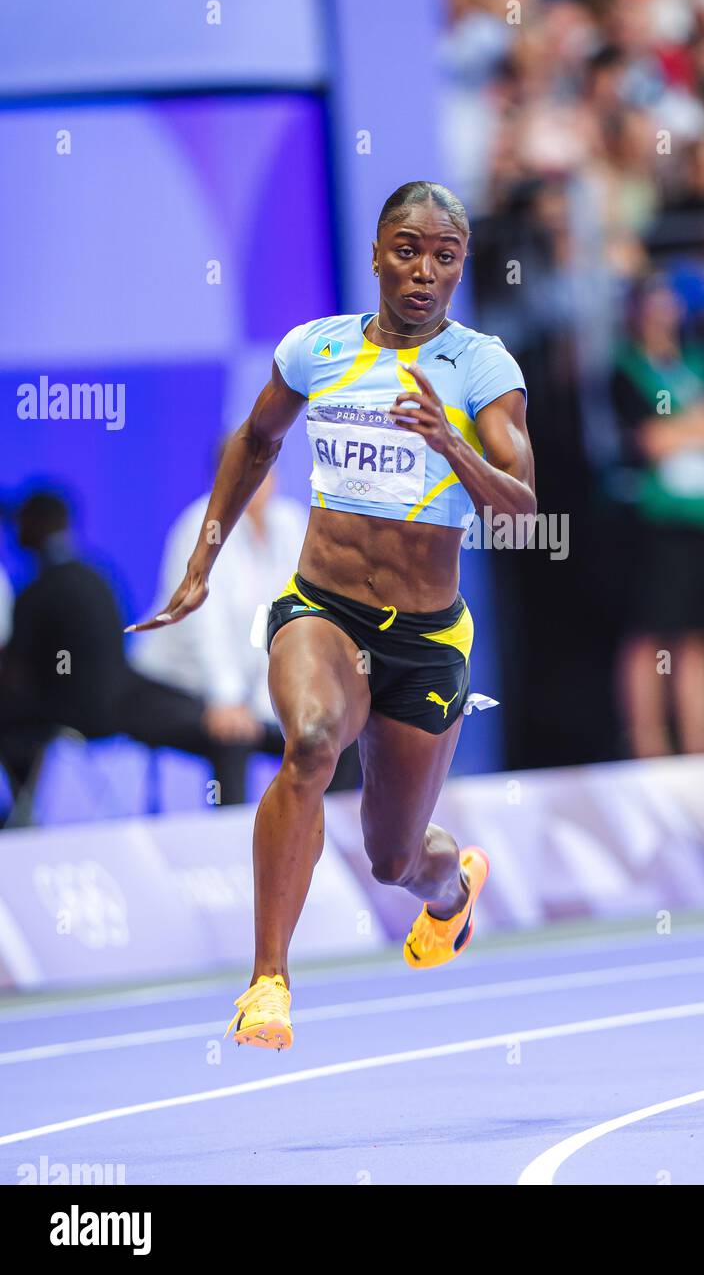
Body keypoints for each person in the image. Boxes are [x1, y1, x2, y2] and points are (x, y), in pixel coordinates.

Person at [131, 181, 535, 1051]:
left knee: (393, 857)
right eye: (407, 249)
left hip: (426, 642)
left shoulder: (482, 368)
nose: (424, 271)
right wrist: (203, 560)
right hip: (323, 609)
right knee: (310, 741)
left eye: (445, 256)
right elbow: (255, 440)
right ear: (379, 251)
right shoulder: (315, 350)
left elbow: (523, 509)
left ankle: (450, 887)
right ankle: (267, 983)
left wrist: (451, 442)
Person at [0, 491, 247, 826]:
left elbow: (16, 673)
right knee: (225, 732)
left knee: (10, 720)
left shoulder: (36, 591)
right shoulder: (99, 575)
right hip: (118, 705)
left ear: (34, 526)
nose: (15, 533)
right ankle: (232, 839)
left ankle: (17, 816)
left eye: (20, 524)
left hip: (79, 716)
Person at [131, 465, 359, 801]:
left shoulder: (289, 524)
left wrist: (273, 704)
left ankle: (324, 840)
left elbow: (298, 615)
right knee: (233, 735)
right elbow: (206, 626)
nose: (257, 482)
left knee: (339, 735)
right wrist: (228, 698)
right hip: (175, 684)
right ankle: (235, 846)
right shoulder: (199, 526)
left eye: (265, 470)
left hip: (253, 691)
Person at [610, 274, 704, 758]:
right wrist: (701, 427)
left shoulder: (698, 365)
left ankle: (700, 747)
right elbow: (651, 441)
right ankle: (649, 748)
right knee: (650, 633)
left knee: (699, 635)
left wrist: (686, 430)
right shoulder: (625, 369)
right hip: (658, 522)